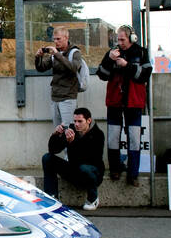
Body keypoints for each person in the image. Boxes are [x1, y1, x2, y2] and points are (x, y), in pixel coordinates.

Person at [96, 25, 151, 186]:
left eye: (122, 39)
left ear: (131, 38)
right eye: (118, 39)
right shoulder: (112, 53)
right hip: (114, 101)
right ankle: (115, 169)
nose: (120, 43)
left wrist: (127, 65)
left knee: (134, 139)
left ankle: (133, 174)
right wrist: (109, 60)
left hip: (134, 102)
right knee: (113, 137)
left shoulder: (141, 52)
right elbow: (101, 75)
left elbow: (145, 75)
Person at [41, 107, 103, 211]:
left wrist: (73, 142)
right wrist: (56, 135)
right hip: (74, 170)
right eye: (75, 121)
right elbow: (53, 150)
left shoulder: (98, 134)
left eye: (80, 121)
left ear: (89, 121)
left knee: (84, 168)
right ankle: (51, 196)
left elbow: (89, 159)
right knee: (47, 158)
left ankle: (93, 199)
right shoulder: (71, 131)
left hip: (92, 174)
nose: (77, 124)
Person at [34, 27, 85, 128]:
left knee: (69, 130)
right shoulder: (55, 54)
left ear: (66, 38)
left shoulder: (75, 52)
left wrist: (58, 55)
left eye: (58, 39)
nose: (56, 42)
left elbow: (74, 68)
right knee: (58, 132)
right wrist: (38, 57)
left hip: (68, 97)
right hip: (55, 97)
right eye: (54, 39)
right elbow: (41, 68)